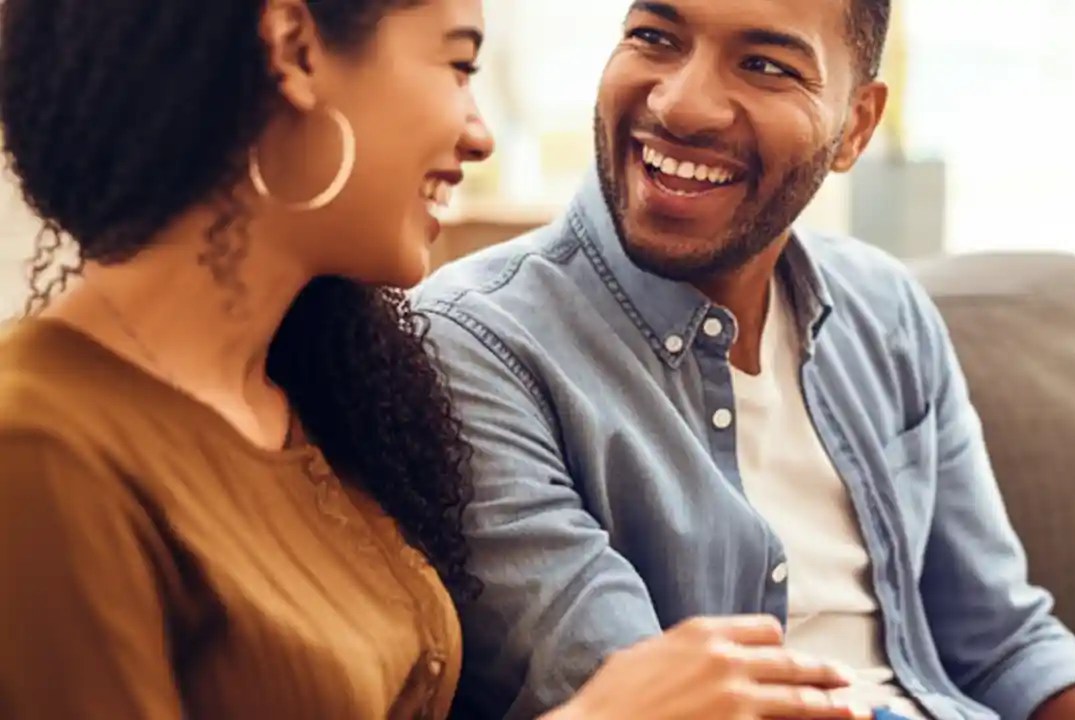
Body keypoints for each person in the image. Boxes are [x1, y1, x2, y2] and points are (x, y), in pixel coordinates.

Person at [0, 1, 866, 718]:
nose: (480, 134)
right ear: (296, 50)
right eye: (458, 66)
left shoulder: (321, 393)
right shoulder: (42, 447)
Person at [416, 1, 1075, 719]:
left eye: (765, 65)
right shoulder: (477, 347)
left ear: (855, 125)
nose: (683, 104)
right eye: (655, 36)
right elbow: (626, 695)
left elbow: (1005, 641)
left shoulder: (886, 308)